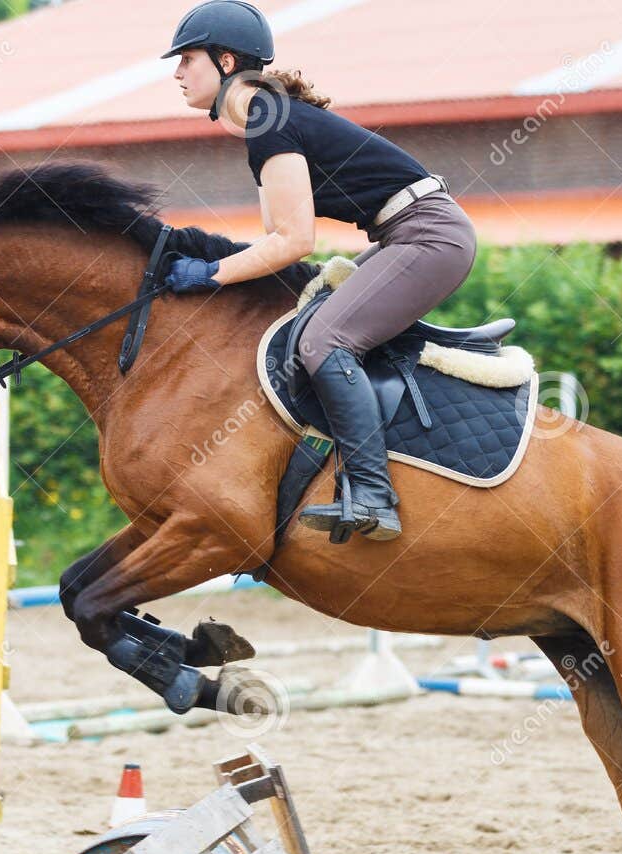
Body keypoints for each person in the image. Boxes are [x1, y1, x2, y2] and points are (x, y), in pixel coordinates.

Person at [159, 0, 478, 544]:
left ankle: (374, 495)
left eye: (188, 58)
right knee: (311, 317)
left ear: (227, 61)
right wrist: (217, 268)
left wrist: (210, 274)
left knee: (324, 341)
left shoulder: (266, 119)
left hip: (428, 234)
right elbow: (276, 235)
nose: (177, 71)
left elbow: (293, 240)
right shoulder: (265, 122)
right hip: (416, 233)